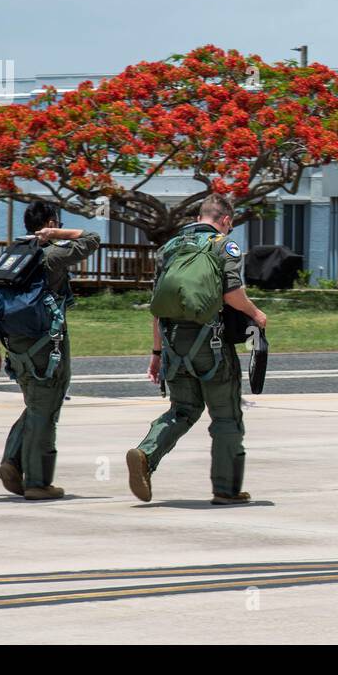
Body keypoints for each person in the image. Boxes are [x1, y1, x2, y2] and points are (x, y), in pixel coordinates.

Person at [126, 194, 267, 505]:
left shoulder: (170, 248)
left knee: (183, 410)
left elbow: (157, 307)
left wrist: (157, 353)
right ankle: (227, 488)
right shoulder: (223, 245)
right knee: (226, 416)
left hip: (173, 342)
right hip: (211, 344)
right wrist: (256, 314)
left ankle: (145, 453)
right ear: (226, 220)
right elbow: (232, 293)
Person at [0, 201, 100, 500]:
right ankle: (37, 481)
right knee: (46, 409)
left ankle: (13, 461)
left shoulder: (11, 256)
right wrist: (57, 232)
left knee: (37, 404)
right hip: (47, 345)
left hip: (14, 346)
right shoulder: (51, 256)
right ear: (50, 222)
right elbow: (92, 239)